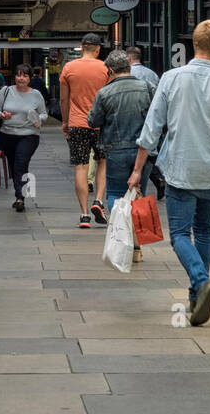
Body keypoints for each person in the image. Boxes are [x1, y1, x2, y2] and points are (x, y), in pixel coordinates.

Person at [129, 20, 210, 326]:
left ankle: (200, 282)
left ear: (194, 45)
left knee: (180, 236)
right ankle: (196, 297)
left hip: (180, 169)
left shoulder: (171, 79)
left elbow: (151, 129)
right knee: (204, 232)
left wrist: (137, 171)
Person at [88, 50, 156, 262]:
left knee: (116, 194)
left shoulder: (104, 93)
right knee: (140, 194)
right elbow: (158, 116)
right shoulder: (147, 87)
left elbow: (93, 121)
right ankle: (138, 247)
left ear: (110, 70)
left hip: (116, 150)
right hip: (143, 151)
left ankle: (121, 240)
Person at [60, 33, 109, 228]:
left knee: (81, 167)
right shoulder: (105, 68)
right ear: (97, 49)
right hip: (100, 124)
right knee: (103, 162)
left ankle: (84, 214)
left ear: (81, 47)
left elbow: (64, 99)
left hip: (77, 123)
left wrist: (65, 122)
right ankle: (98, 200)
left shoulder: (69, 68)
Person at [0, 64, 48, 212]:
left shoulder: (36, 94)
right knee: (14, 164)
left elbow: (44, 114)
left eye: (24, 75)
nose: (21, 78)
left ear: (30, 78)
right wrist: (1, 115)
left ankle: (20, 197)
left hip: (29, 135)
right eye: (18, 75)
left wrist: (38, 119)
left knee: (21, 162)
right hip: (7, 135)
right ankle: (22, 191)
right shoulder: (6, 91)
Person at [127, 48, 166, 200]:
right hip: (151, 120)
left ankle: (137, 190)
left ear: (129, 59)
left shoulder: (127, 75)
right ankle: (155, 180)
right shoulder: (152, 74)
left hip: (132, 123)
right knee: (149, 153)